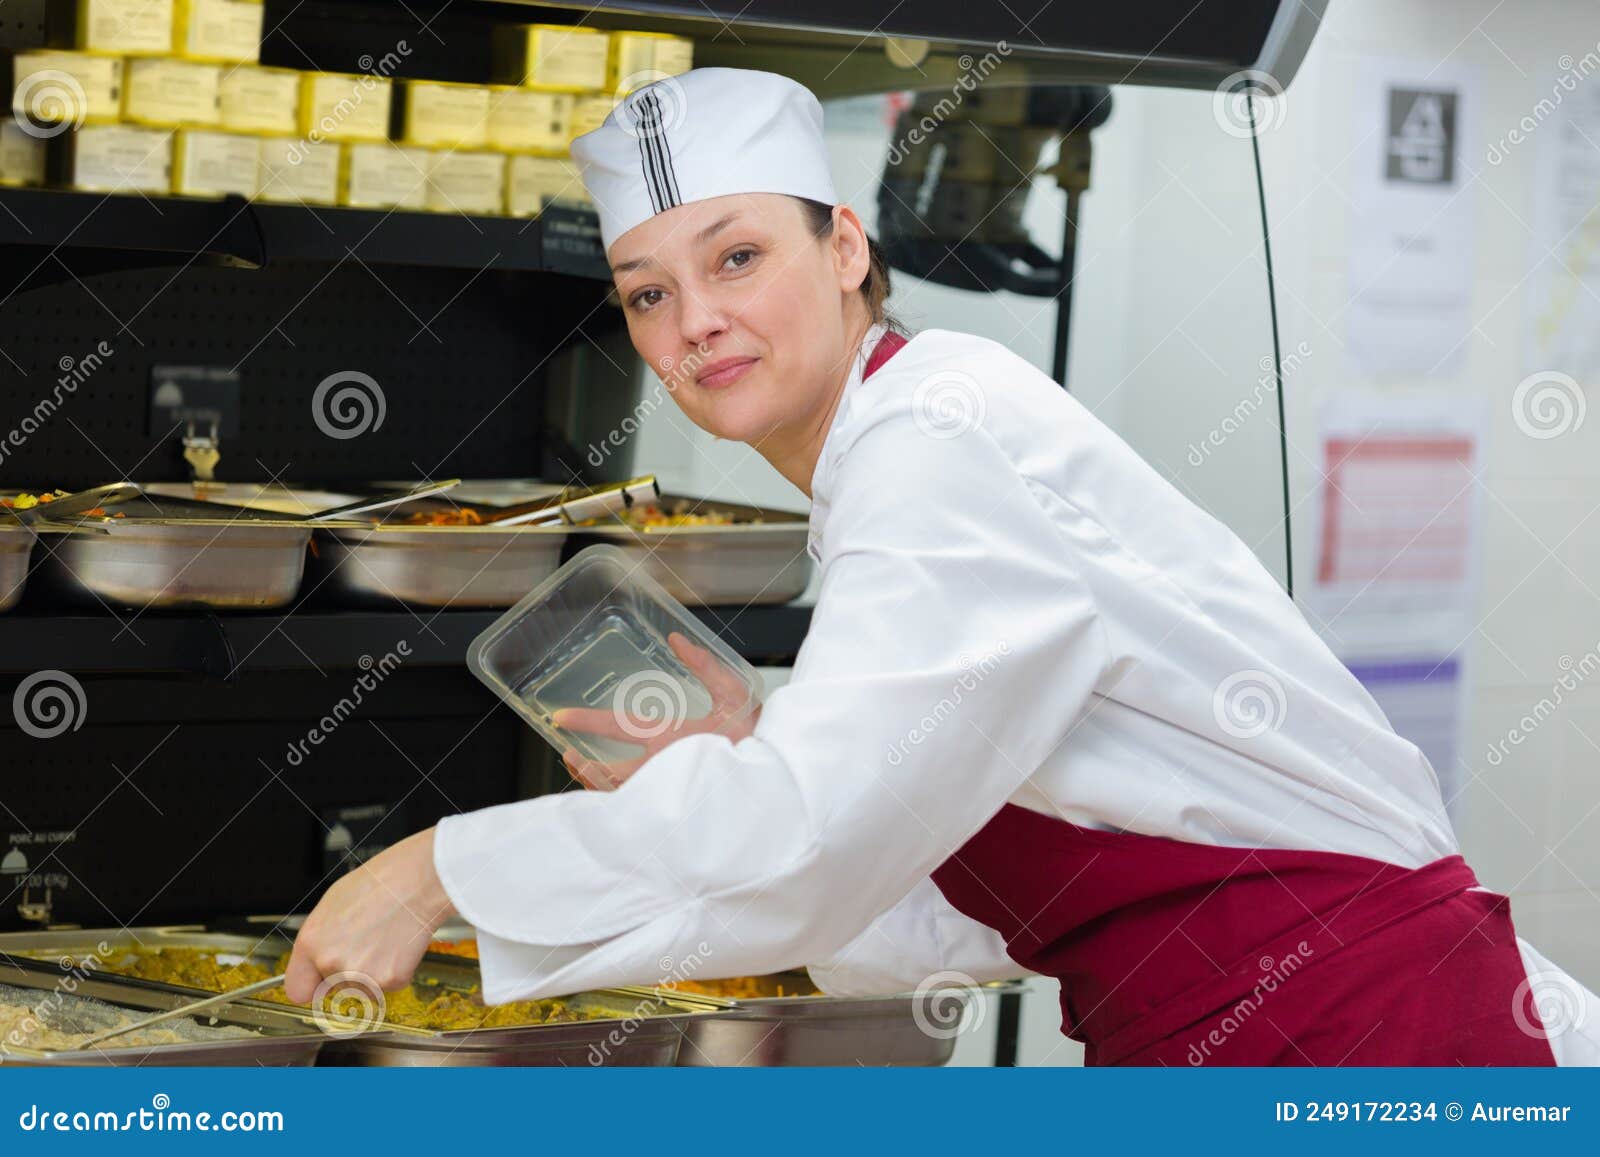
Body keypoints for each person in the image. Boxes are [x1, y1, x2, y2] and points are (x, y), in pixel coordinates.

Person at [286, 67, 1598, 1066]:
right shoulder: (895, 452)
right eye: (646, 292)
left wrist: (436, 872)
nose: (697, 323)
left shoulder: (936, 443)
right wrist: (743, 772)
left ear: (845, 248)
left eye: (738, 256)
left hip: (1356, 1035)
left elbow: (810, 837)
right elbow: (942, 893)